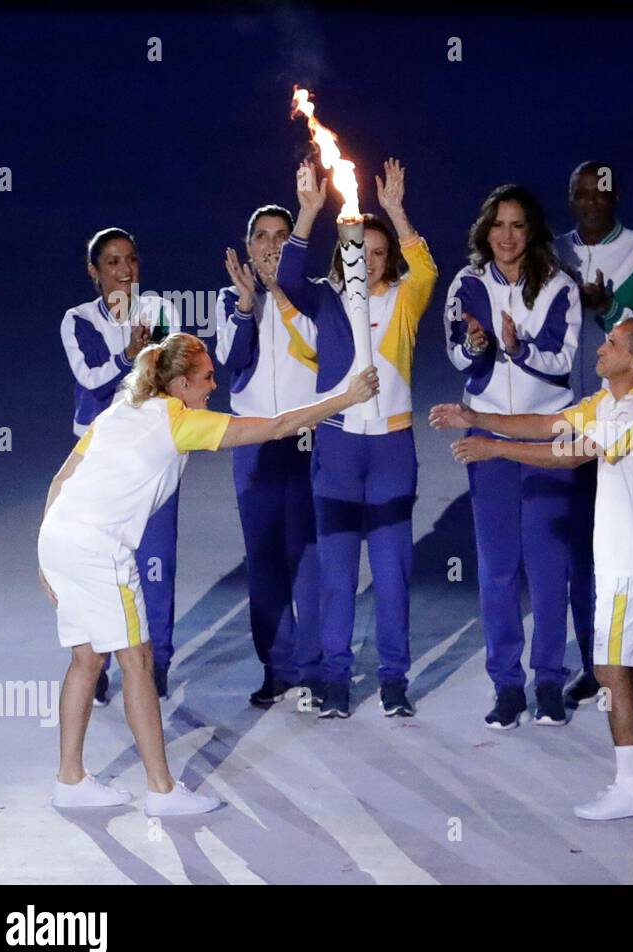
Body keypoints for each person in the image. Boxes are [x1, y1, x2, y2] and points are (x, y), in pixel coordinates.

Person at [38, 333, 378, 814]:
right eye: (206, 379)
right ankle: (161, 791)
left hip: (58, 537)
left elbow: (60, 479)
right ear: (178, 384)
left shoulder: (116, 413)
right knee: (137, 661)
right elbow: (279, 427)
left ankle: (69, 780)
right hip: (98, 550)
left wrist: (45, 555)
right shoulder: (178, 423)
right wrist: (346, 397)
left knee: (86, 659)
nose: (213, 386)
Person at [431, 317, 633, 819]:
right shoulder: (606, 403)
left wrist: (495, 448)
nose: (601, 347)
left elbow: (571, 454)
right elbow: (547, 424)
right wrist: (474, 416)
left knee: (611, 670)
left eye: (612, 343)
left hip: (631, 561)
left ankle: (629, 788)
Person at [277, 159, 438, 719]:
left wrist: (395, 211)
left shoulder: (406, 300)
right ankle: (336, 681)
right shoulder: (325, 299)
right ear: (342, 255)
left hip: (392, 451)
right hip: (339, 451)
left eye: (376, 252)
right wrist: (308, 212)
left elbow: (427, 271)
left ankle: (394, 680)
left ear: (387, 257)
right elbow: (288, 280)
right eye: (358, 252)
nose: (366, 262)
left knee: (392, 578)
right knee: (338, 581)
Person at [444, 184, 582, 729]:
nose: (506, 236)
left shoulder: (559, 286)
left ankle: (548, 680)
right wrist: (478, 345)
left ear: (532, 232)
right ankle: (507, 685)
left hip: (547, 437)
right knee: (498, 569)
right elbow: (456, 352)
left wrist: (518, 347)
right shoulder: (467, 283)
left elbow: (563, 360)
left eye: (517, 226)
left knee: (548, 568)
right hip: (488, 442)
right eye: (498, 225)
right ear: (486, 231)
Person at [61, 228, 183, 704]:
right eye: (112, 262)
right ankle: (98, 663)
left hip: (150, 460)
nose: (125, 270)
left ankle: (156, 665)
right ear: (95, 271)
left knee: (156, 564)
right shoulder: (77, 320)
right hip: (98, 465)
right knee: (100, 567)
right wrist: (130, 355)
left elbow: (169, 379)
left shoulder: (159, 313)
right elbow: (91, 381)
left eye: (131, 260)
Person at [553, 160, 633, 705]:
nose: (591, 202)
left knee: (632, 548)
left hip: (626, 423)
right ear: (570, 198)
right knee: (580, 552)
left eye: (601, 194)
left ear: (616, 199)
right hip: (572, 417)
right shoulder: (555, 251)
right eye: (581, 194)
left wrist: (607, 306)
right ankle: (596, 663)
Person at [216, 204, 323, 707]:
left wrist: (283, 294)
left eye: (282, 235)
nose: (272, 245)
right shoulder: (230, 300)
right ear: (248, 243)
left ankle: (313, 667)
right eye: (261, 236)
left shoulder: (314, 295)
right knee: (264, 560)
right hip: (253, 445)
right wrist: (245, 305)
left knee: (307, 556)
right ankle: (277, 667)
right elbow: (233, 363)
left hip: (305, 441)